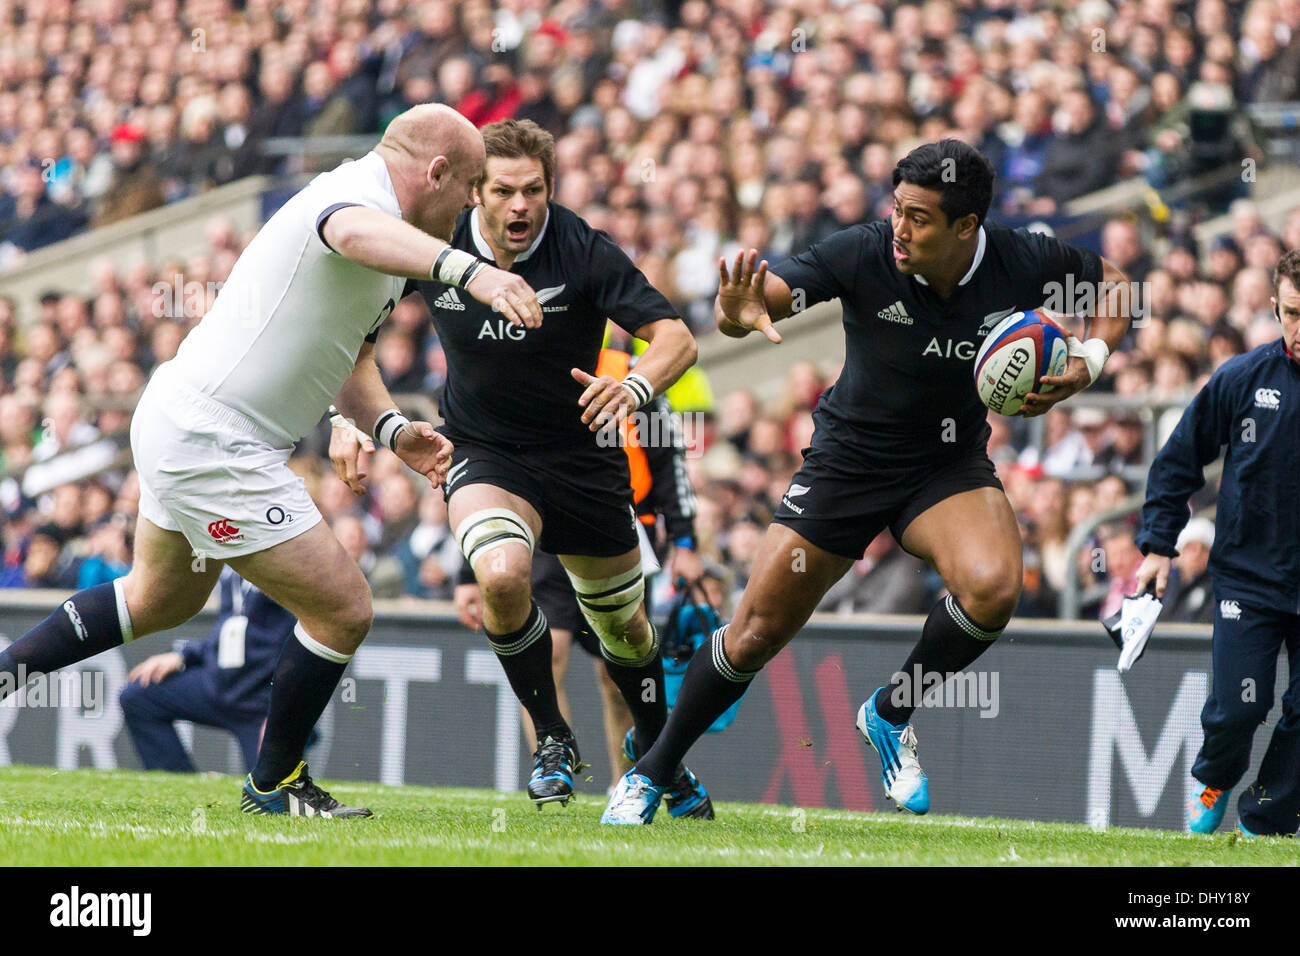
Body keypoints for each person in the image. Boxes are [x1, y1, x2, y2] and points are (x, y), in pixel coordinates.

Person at [0, 103, 541, 819]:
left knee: (160, 599)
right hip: (213, 437)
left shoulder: (392, 241)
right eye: (470, 189)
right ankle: (275, 783)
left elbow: (351, 360)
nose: (472, 207)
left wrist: (390, 429)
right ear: (436, 172)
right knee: (344, 608)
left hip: (186, 421)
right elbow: (347, 229)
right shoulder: (354, 198)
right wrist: (473, 274)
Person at [603, 139, 1134, 824]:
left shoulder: (1022, 260)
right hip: (848, 462)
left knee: (994, 588)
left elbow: (1117, 285)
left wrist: (1091, 357)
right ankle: (653, 770)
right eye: (897, 209)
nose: (899, 228)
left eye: (918, 217)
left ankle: (889, 712)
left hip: (944, 465)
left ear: (966, 227)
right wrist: (738, 311)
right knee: (756, 631)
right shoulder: (864, 251)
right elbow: (764, 300)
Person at [332, 119, 703, 812]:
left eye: (533, 190)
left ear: (551, 187)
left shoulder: (583, 248)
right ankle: (553, 740)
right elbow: (346, 341)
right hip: (485, 452)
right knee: (501, 575)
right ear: (475, 191)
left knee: (625, 633)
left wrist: (633, 387)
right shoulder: (435, 246)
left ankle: (662, 761)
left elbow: (676, 338)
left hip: (584, 460)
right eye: (503, 191)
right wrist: (351, 421)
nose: (519, 205)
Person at [453, 342, 706, 799]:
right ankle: (553, 764)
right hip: (542, 531)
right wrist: (468, 572)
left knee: (617, 674)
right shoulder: (523, 363)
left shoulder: (631, 371)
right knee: (548, 654)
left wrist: (686, 540)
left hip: (619, 531)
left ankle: (631, 782)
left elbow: (669, 457)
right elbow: (485, 471)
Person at [1134, 250, 1300, 838]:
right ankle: (1215, 777)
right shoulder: (1242, 378)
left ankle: (1265, 818)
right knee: (1238, 708)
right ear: (1275, 309)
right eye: (1293, 314)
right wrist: (1158, 545)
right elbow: (1178, 459)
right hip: (1248, 580)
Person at [120, 567, 296, 772]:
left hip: (264, 703)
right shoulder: (231, 566)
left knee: (270, 784)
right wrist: (183, 655)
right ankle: (180, 784)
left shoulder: (287, 564)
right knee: (139, 696)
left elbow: (302, 644)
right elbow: (228, 632)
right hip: (220, 684)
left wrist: (283, 712)